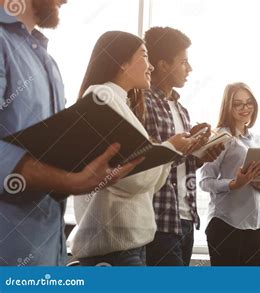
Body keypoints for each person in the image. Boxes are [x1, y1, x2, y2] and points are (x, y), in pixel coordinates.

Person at [0, 0, 141, 266]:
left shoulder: (46, 60)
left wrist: (84, 168)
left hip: (47, 254)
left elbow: (50, 146)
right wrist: (69, 181)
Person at [70, 31, 200, 266]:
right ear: (121, 61)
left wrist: (167, 152)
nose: (150, 67)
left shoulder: (123, 103)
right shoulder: (103, 96)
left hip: (129, 243)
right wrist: (170, 148)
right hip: (116, 245)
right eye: (144, 57)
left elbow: (151, 181)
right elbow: (132, 177)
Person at [143, 26, 224, 266]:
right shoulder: (144, 103)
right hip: (159, 220)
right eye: (184, 62)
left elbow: (180, 163)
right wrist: (183, 148)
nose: (189, 69)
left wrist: (201, 155)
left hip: (186, 219)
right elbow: (147, 162)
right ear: (163, 64)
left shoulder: (181, 110)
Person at [199, 82, 260, 266]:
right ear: (228, 106)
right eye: (238, 103)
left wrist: (259, 184)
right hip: (225, 224)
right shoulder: (221, 137)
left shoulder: (258, 140)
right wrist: (234, 184)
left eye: (249, 102)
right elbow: (205, 181)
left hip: (254, 224)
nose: (245, 108)